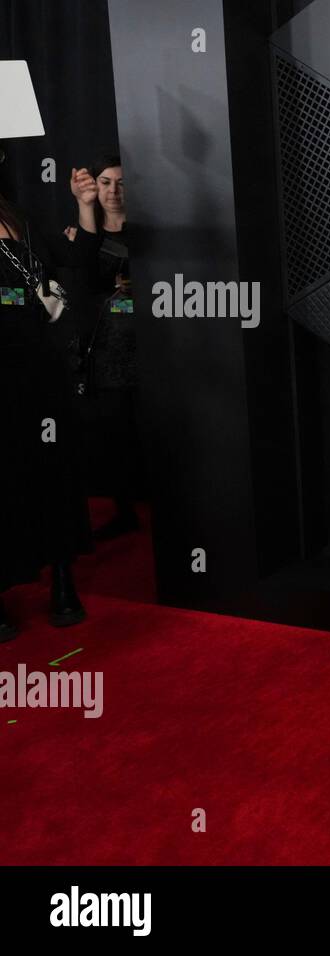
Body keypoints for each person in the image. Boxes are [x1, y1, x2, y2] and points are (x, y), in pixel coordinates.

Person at [0, 179, 98, 640]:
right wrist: (26, 302)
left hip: (41, 373)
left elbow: (72, 259)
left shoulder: (16, 216)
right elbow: (14, 297)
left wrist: (84, 206)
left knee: (53, 472)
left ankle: (62, 581)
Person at [62, 153, 141, 540]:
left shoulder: (147, 232)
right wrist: (85, 209)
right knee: (115, 438)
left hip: (154, 350)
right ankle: (125, 510)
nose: (113, 190)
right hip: (107, 352)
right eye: (106, 182)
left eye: (122, 182)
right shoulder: (84, 235)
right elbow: (85, 284)